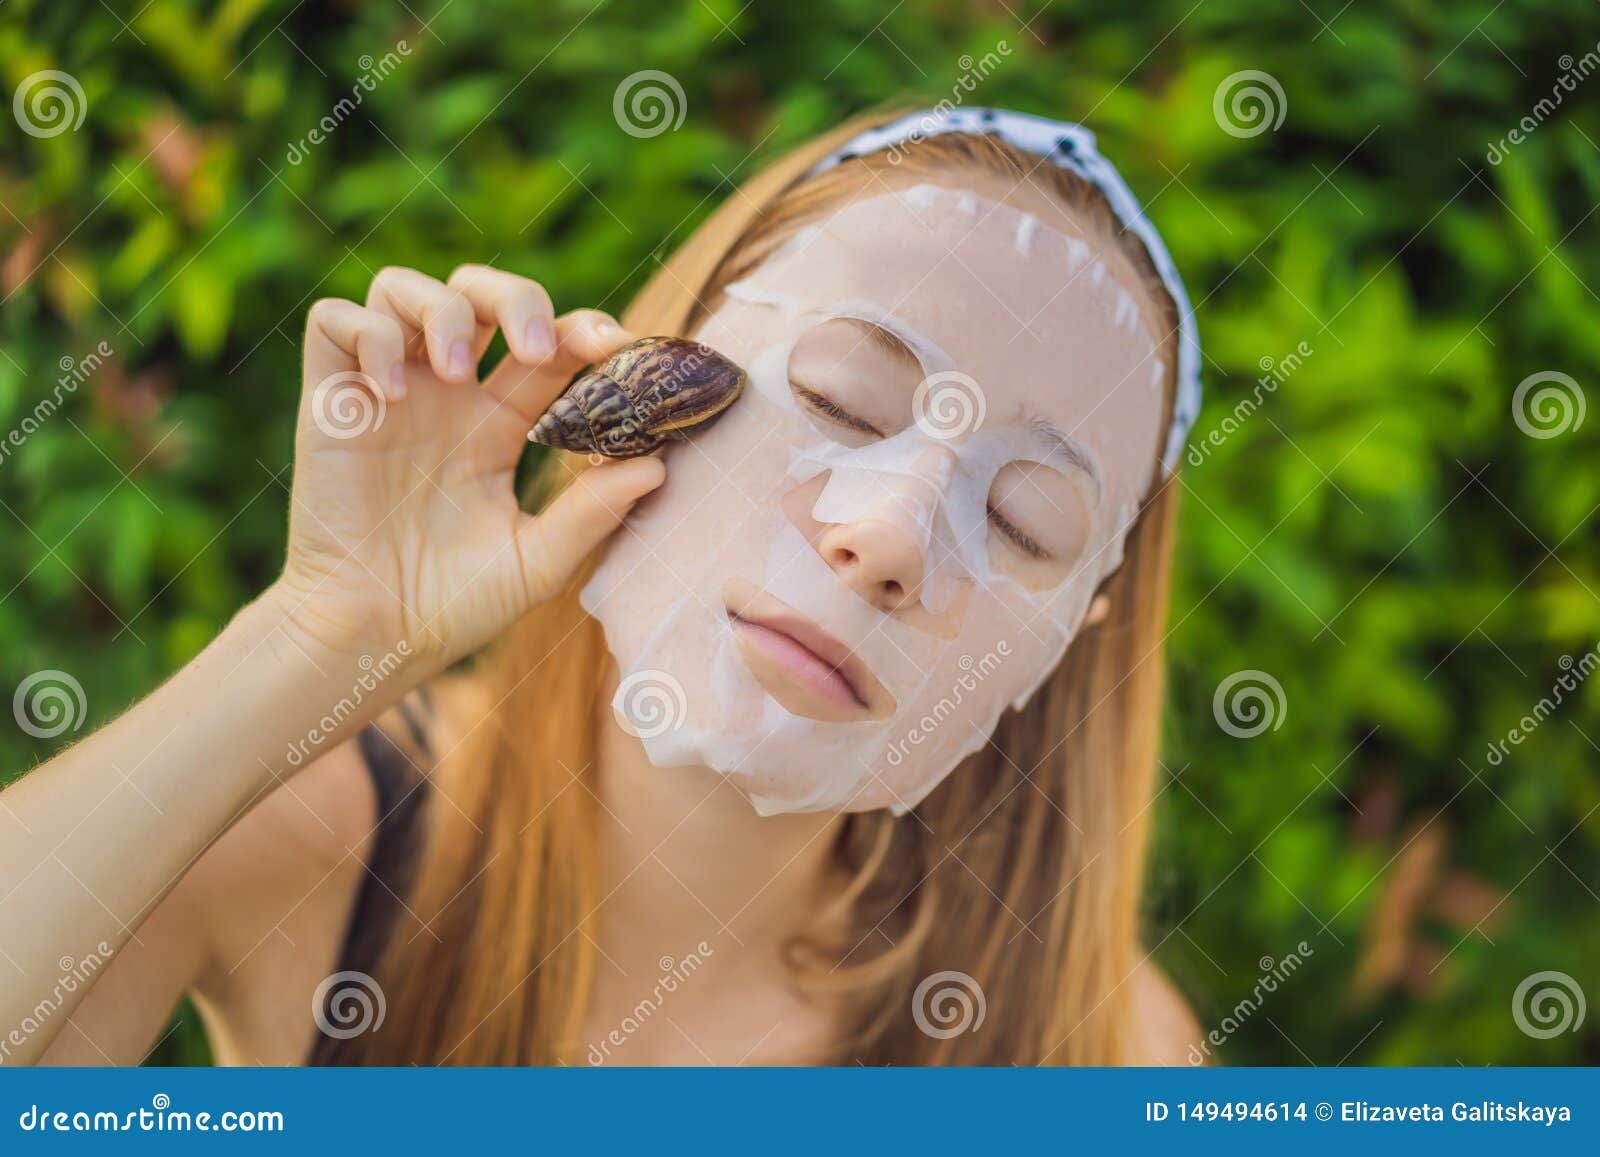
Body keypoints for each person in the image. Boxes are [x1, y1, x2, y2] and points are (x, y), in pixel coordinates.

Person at [1, 108, 1204, 1067]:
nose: (889, 535)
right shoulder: (321, 843)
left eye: (1018, 519)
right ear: (666, 364)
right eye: (839, 399)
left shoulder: (1102, 1059)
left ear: (1068, 635)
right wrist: (320, 636)